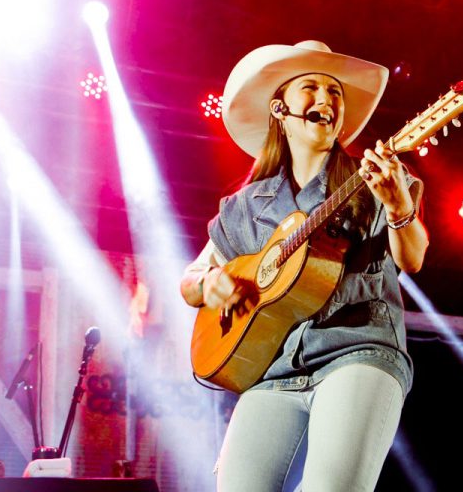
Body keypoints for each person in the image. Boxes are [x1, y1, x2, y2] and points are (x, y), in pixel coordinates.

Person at [179, 40, 428, 491]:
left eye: (335, 93)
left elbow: (412, 258)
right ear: (280, 110)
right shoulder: (243, 206)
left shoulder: (375, 180)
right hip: (273, 368)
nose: (328, 100)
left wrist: (398, 208)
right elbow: (191, 280)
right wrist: (212, 282)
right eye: (312, 87)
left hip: (358, 350)